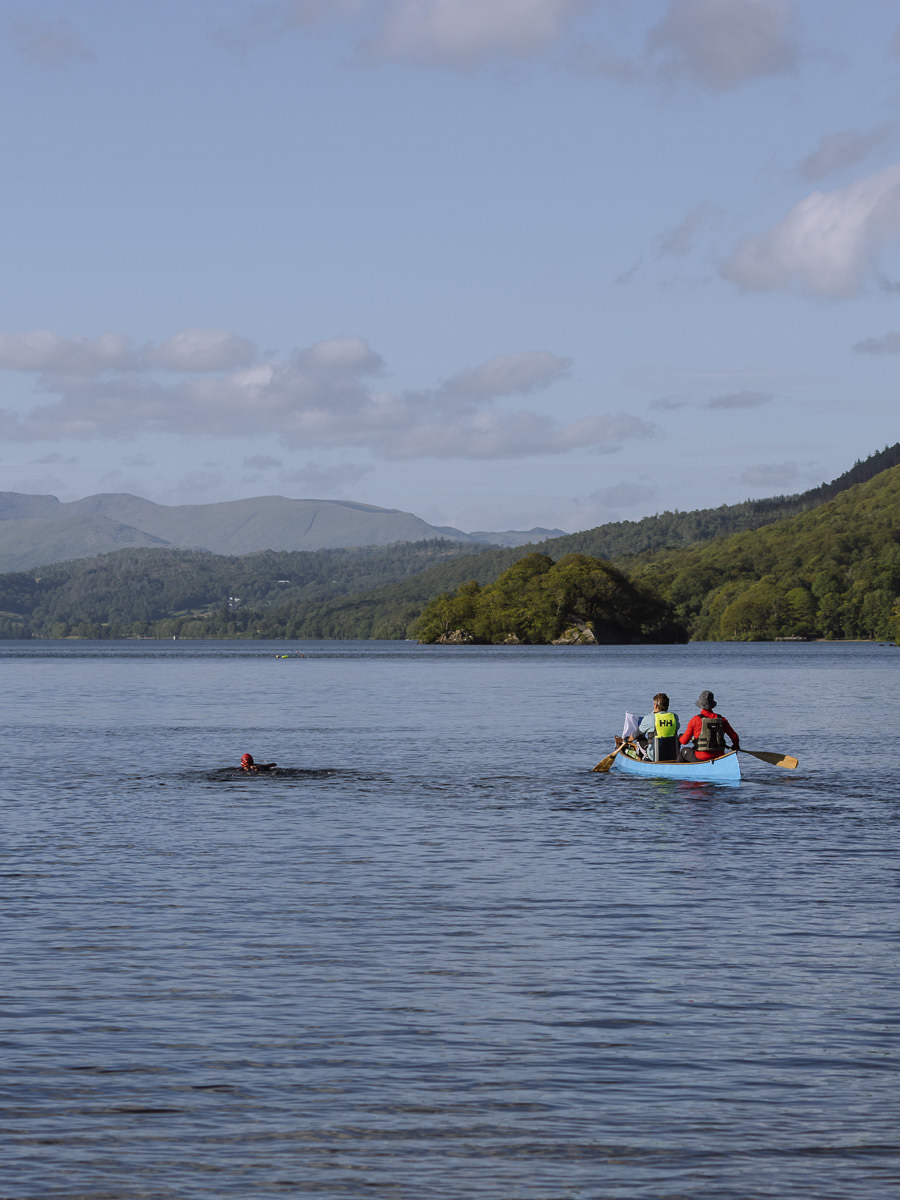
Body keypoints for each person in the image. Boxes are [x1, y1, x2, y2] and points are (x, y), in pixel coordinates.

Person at [679, 691, 739, 762]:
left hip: (701, 757)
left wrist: (680, 737)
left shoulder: (695, 720)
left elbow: (684, 741)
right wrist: (735, 746)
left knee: (683, 751)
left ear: (700, 705)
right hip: (719, 757)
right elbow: (734, 737)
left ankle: (680, 771)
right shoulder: (722, 720)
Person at [635, 693, 680, 761]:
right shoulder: (674, 717)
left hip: (655, 757)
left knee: (639, 738)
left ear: (655, 705)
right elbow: (677, 727)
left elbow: (637, 733)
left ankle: (640, 759)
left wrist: (627, 739)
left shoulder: (650, 717)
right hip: (672, 754)